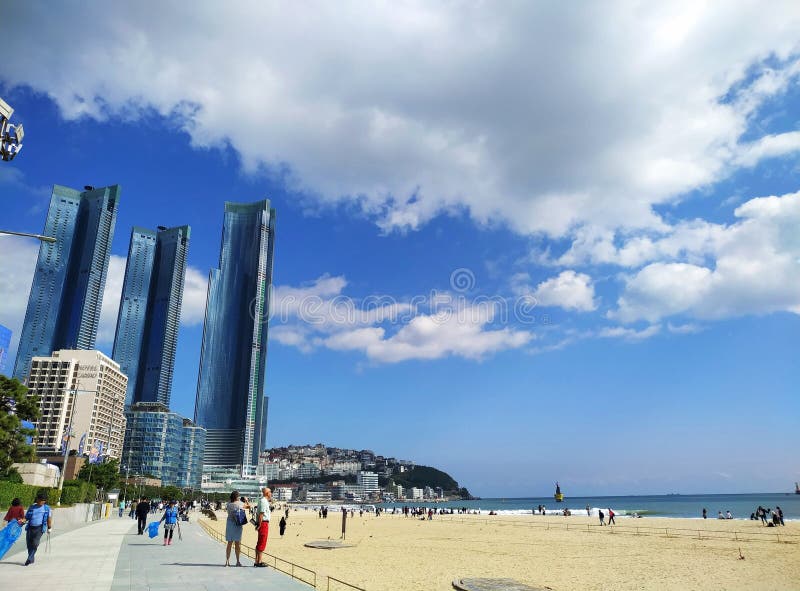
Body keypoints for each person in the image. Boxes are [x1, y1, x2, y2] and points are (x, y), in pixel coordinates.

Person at [24, 493, 52, 566]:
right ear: (37, 499)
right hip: (30, 527)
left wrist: (49, 528)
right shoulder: (32, 507)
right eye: (39, 500)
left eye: (42, 500)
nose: (40, 502)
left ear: (45, 501)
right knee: (29, 544)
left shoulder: (47, 508)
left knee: (35, 543)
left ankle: (29, 558)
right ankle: (31, 558)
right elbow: (26, 517)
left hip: (39, 528)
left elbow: (49, 519)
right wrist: (22, 521)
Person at [225, 491, 248, 566]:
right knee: (237, 543)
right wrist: (246, 500)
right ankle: (238, 561)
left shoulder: (228, 504)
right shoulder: (240, 503)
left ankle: (227, 561)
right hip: (238, 524)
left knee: (229, 543)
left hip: (230, 524)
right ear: (237, 497)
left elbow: (230, 501)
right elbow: (248, 506)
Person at [254, 487, 272, 568]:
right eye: (270, 492)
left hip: (263, 523)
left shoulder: (263, 501)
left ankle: (257, 561)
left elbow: (259, 514)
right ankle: (259, 562)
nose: (271, 493)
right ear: (267, 493)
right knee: (262, 542)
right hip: (264, 523)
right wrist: (260, 525)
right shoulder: (264, 501)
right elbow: (261, 514)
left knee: (260, 542)